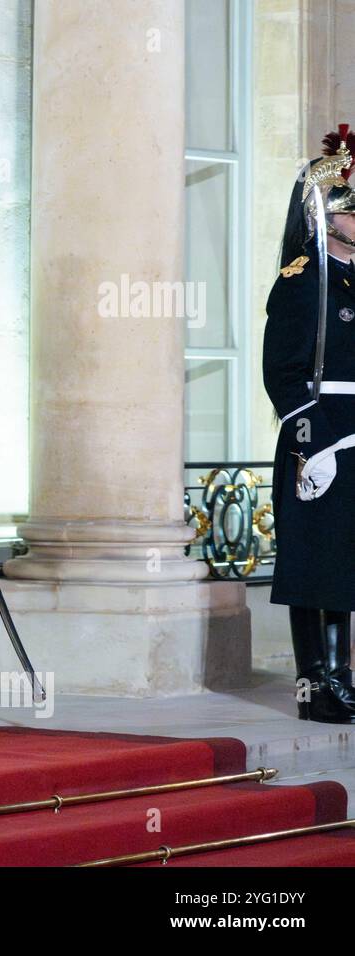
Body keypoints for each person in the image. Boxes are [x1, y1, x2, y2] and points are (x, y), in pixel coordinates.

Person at [263, 125, 355, 725]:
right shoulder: (304, 279)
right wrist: (312, 437)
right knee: (315, 559)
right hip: (319, 436)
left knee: (344, 559)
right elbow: (285, 372)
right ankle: (314, 684)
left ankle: (343, 676)